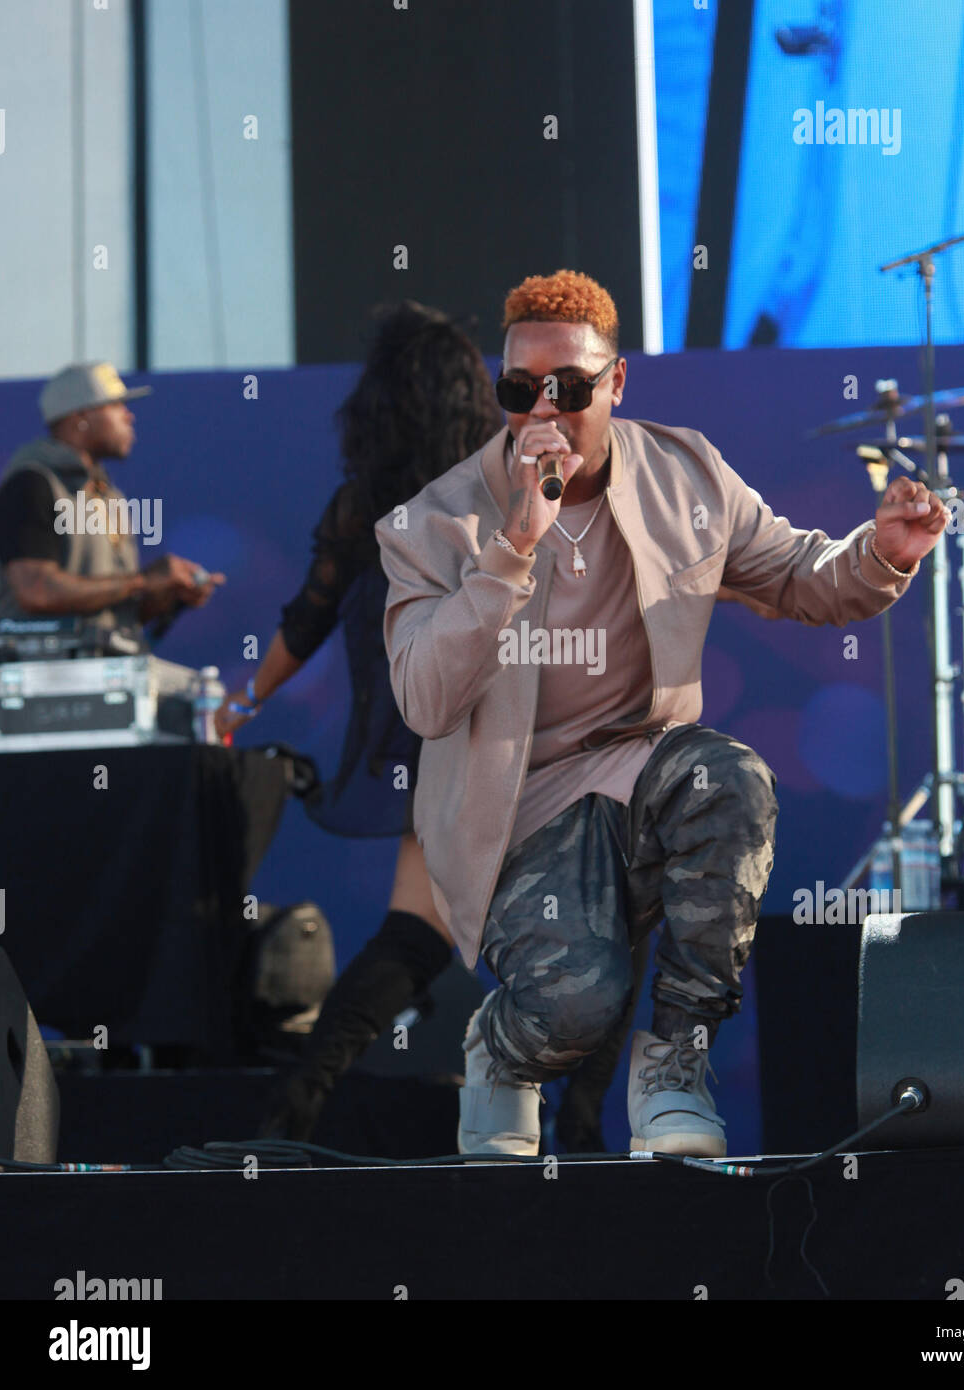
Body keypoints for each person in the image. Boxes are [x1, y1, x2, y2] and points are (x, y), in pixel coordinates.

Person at [375, 269, 951, 1157]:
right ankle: (500, 1044)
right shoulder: (434, 522)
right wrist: (513, 547)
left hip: (644, 768)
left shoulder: (685, 472)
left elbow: (802, 578)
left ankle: (677, 1063)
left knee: (734, 779)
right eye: (520, 390)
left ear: (616, 383)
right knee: (575, 1012)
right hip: (518, 805)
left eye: (569, 388)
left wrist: (879, 553)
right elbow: (423, 697)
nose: (544, 413)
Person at [215, 302, 643, 1148]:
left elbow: (307, 619)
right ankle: (584, 1132)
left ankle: (293, 1106)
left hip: (421, 740)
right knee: (606, 923)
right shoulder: (511, 487)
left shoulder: (368, 503)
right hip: (523, 734)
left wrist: (239, 701)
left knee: (416, 931)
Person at [0, 362, 222, 652]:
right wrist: (142, 581)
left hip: (104, 674)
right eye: (116, 405)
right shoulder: (31, 483)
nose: (129, 416)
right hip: (42, 678)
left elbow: (111, 618)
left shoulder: (109, 496)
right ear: (80, 416)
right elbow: (36, 591)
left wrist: (167, 592)